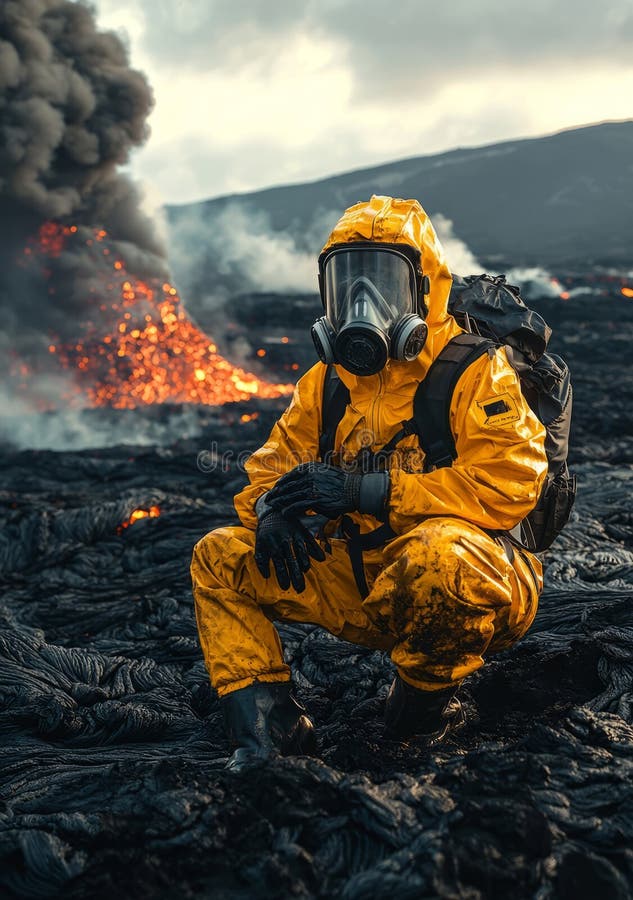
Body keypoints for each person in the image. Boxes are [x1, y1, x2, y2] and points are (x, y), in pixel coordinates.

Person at [191, 195, 548, 771]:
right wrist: (271, 509)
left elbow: (508, 482)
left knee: (440, 557)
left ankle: (421, 712)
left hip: (477, 583)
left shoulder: (474, 370)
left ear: (423, 288)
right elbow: (269, 464)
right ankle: (271, 733)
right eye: (348, 281)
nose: (364, 302)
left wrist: (367, 492)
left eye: (382, 280)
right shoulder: (327, 383)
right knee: (219, 558)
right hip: (362, 579)